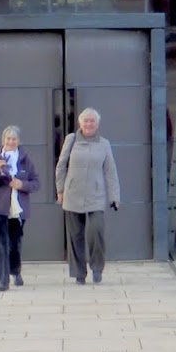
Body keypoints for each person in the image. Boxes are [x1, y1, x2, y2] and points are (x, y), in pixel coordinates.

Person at [55, 106, 120, 284]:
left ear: (97, 124)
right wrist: (60, 190)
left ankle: (97, 268)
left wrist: (115, 197)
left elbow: (110, 172)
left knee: (96, 231)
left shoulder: (104, 144)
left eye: (92, 121)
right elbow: (61, 166)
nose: (89, 124)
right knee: (75, 235)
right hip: (73, 193)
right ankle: (79, 273)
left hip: (96, 195)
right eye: (86, 121)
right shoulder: (71, 139)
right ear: (80, 123)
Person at [0, 126, 40, 292]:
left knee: (14, 243)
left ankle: (16, 271)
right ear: (3, 140)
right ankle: (3, 280)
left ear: (18, 141)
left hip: (18, 209)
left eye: (14, 139)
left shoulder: (25, 160)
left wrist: (22, 184)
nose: (10, 142)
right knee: (1, 244)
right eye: (8, 139)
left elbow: (36, 182)